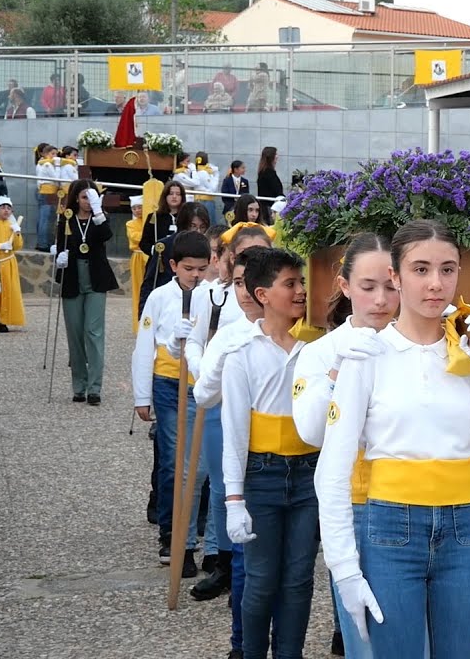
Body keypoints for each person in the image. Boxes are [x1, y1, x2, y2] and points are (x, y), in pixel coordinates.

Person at [318, 219, 470, 658]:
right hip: (391, 528)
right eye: (420, 269)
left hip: (467, 529)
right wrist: (345, 571)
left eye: (448, 269)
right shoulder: (366, 354)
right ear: (395, 276)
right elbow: (332, 473)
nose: (436, 284)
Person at [289, 233, 397, 659]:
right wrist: (338, 370)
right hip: (353, 503)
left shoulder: (418, 345)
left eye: (391, 286)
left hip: (414, 498)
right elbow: (311, 430)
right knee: (362, 634)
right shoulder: (320, 351)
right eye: (368, 287)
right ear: (344, 285)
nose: (380, 300)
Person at [221, 247, 318, 659]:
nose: (301, 291)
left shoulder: (315, 346)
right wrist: (233, 498)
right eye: (290, 284)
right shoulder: (242, 352)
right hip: (261, 475)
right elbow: (234, 430)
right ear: (262, 294)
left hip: (309, 475)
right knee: (261, 580)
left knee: (298, 580)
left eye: (302, 282)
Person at [183, 224, 275, 610]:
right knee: (223, 485)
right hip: (222, 400)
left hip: (267, 406)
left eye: (262, 253)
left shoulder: (278, 295)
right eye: (246, 254)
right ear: (232, 258)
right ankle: (226, 563)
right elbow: (195, 340)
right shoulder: (215, 296)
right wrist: (201, 368)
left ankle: (258, 566)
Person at [132, 230, 212, 577]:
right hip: (168, 383)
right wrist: (141, 394)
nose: (196, 275)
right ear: (173, 265)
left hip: (203, 384)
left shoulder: (212, 296)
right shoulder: (160, 297)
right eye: (189, 268)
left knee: (201, 463)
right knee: (172, 461)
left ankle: (198, 525)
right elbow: (145, 343)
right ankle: (170, 532)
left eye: (202, 268)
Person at [55, 181, 117, 405]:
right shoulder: (66, 217)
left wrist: (98, 209)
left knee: (93, 332)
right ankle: (79, 385)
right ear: (75, 198)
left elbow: (106, 235)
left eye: (91, 198)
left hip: (95, 278)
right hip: (72, 277)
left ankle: (94, 388)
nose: (87, 203)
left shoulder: (101, 218)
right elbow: (60, 243)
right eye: (84, 198)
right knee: (75, 334)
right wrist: (58, 256)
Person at [138, 179, 189, 315]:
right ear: (165, 196)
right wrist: (156, 251)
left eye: (178, 194)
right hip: (160, 264)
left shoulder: (186, 218)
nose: (174, 197)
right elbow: (144, 243)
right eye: (171, 193)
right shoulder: (154, 217)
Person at [0, 195, 24, 332]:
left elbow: (17, 246)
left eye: (9, 208)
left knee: (6, 293)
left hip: (8, 263)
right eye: (3, 207)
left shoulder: (12, 227)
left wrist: (17, 234)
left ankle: (3, 321)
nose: (6, 211)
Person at [127, 196, 149, 330]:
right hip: (138, 256)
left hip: (148, 255)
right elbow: (136, 238)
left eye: (139, 207)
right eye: (134, 208)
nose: (137, 210)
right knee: (138, 288)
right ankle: (138, 323)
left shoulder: (150, 220)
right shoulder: (130, 224)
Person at [35, 144, 59, 251]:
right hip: (47, 191)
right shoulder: (47, 164)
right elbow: (56, 178)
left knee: (43, 218)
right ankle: (43, 243)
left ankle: (42, 242)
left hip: (44, 191)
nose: (55, 156)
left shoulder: (41, 163)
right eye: (52, 154)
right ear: (45, 154)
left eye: (56, 154)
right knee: (45, 218)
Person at [255, 147, 282, 216]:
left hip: (266, 206)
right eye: (276, 154)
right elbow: (276, 190)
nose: (277, 156)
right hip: (269, 207)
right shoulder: (269, 173)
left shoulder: (263, 171)